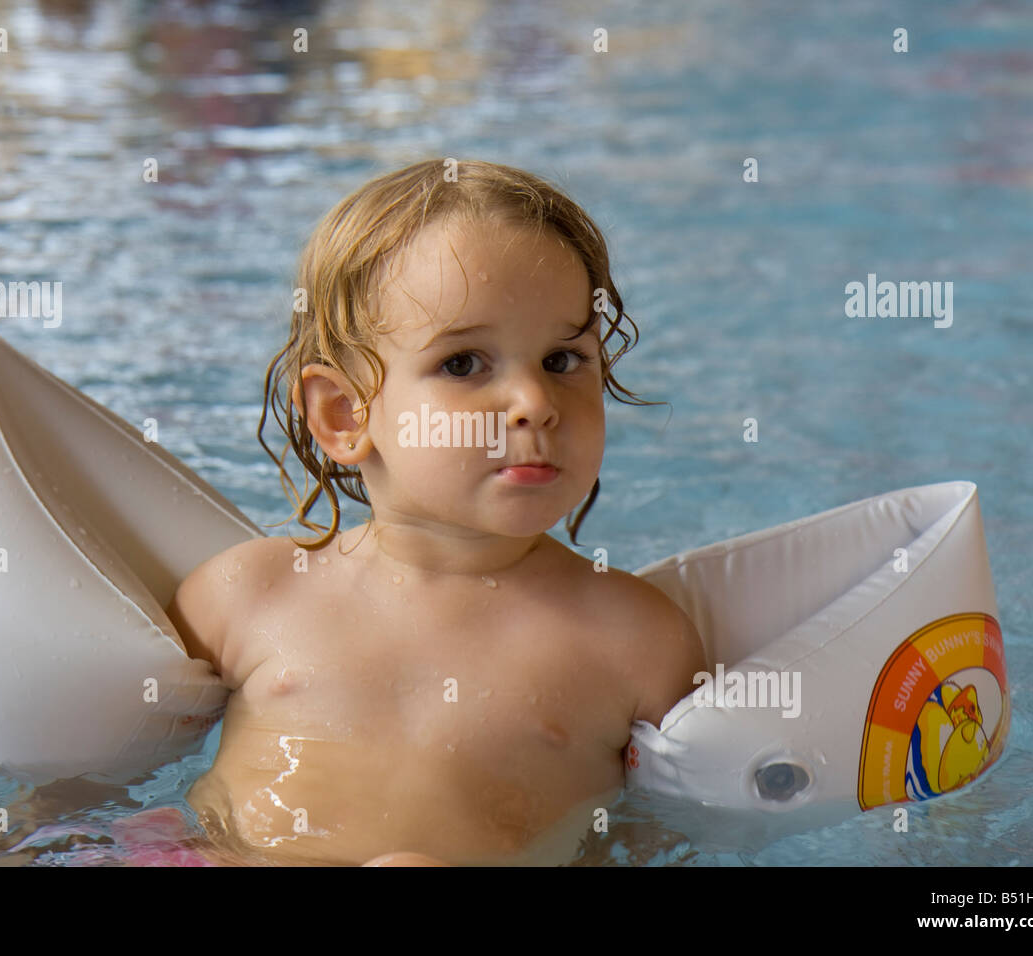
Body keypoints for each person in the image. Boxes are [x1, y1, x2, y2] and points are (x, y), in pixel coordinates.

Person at [165, 158, 704, 866]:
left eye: (563, 360)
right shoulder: (247, 596)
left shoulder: (637, 640)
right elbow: (92, 773)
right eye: (463, 364)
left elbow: (666, 842)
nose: (535, 402)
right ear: (343, 414)